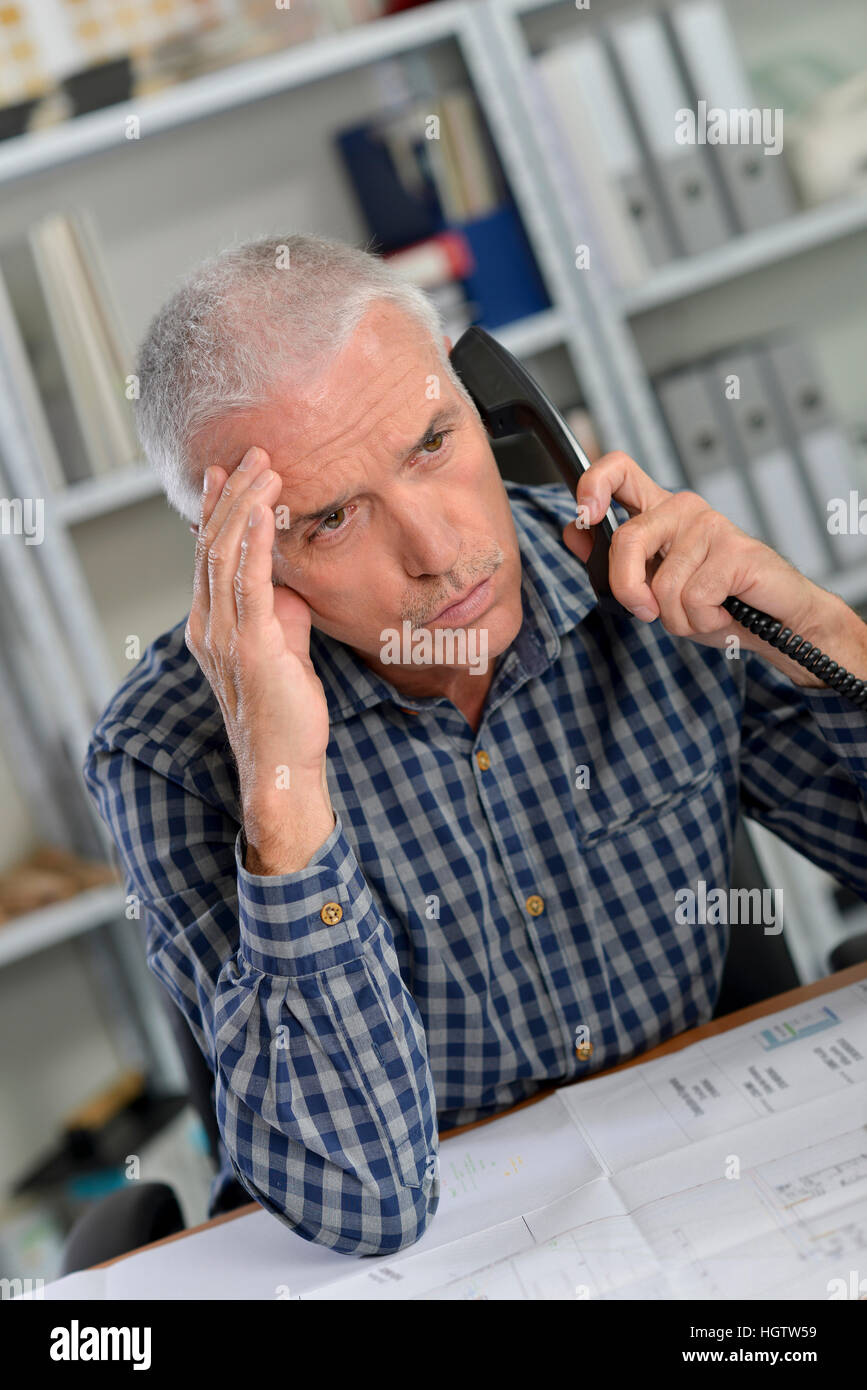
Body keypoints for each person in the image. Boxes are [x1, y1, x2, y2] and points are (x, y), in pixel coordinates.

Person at [84, 234, 867, 1256]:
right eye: (331, 520)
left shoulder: (637, 581)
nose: (441, 551)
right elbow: (367, 1204)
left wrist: (830, 638)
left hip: (707, 1196)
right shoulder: (165, 751)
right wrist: (284, 794)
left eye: (432, 443)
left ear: (483, 396)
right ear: (239, 557)